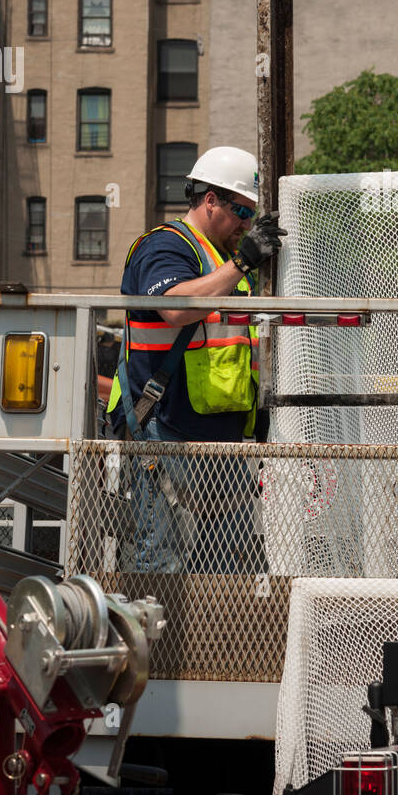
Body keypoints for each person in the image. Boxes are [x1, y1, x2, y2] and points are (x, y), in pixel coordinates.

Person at [106, 146, 285, 572]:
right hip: (161, 427)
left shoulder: (222, 261)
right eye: (241, 211)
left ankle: (220, 641)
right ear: (210, 200)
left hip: (220, 436)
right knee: (163, 565)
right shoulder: (166, 246)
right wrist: (244, 262)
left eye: (250, 213)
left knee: (228, 566)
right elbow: (176, 309)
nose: (246, 223)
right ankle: (157, 641)